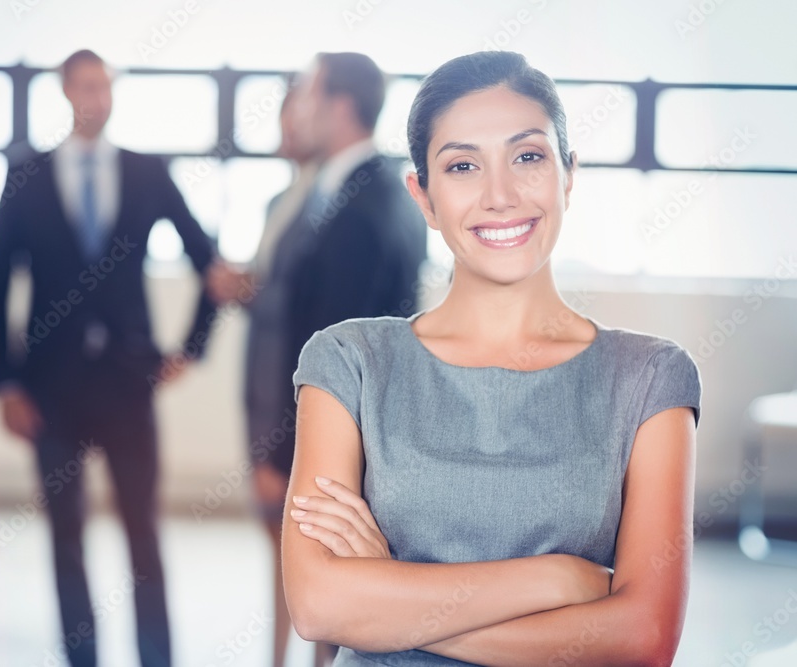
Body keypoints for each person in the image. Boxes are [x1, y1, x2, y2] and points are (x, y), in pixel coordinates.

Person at [282, 51, 701, 666]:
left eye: (528, 157)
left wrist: (386, 597)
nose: (500, 195)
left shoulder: (648, 378)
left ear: (568, 175)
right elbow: (318, 606)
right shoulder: (351, 361)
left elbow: (643, 639)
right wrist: (554, 580)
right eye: (462, 166)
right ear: (422, 197)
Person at [0, 49, 218, 667]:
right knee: (65, 535)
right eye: (85, 87)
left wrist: (191, 347)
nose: (96, 98)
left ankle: (156, 657)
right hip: (49, 390)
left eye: (105, 87)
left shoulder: (146, 171)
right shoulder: (26, 175)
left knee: (143, 530)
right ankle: (81, 657)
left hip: (127, 385)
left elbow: (208, 261)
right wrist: (4, 382)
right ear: (65, 92)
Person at [213, 52, 428, 667]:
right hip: (334, 450)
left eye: (305, 95)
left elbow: (334, 360)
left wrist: (287, 454)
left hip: (340, 457)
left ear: (337, 107)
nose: (294, 110)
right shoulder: (354, 193)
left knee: (332, 610)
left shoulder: (361, 211)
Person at [207, 84, 321, 667]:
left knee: (309, 555)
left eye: (297, 113)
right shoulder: (280, 201)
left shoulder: (330, 209)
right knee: (276, 550)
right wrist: (244, 289)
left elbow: (306, 324)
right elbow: (278, 302)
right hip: (261, 401)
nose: (286, 126)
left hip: (291, 412)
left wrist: (281, 448)